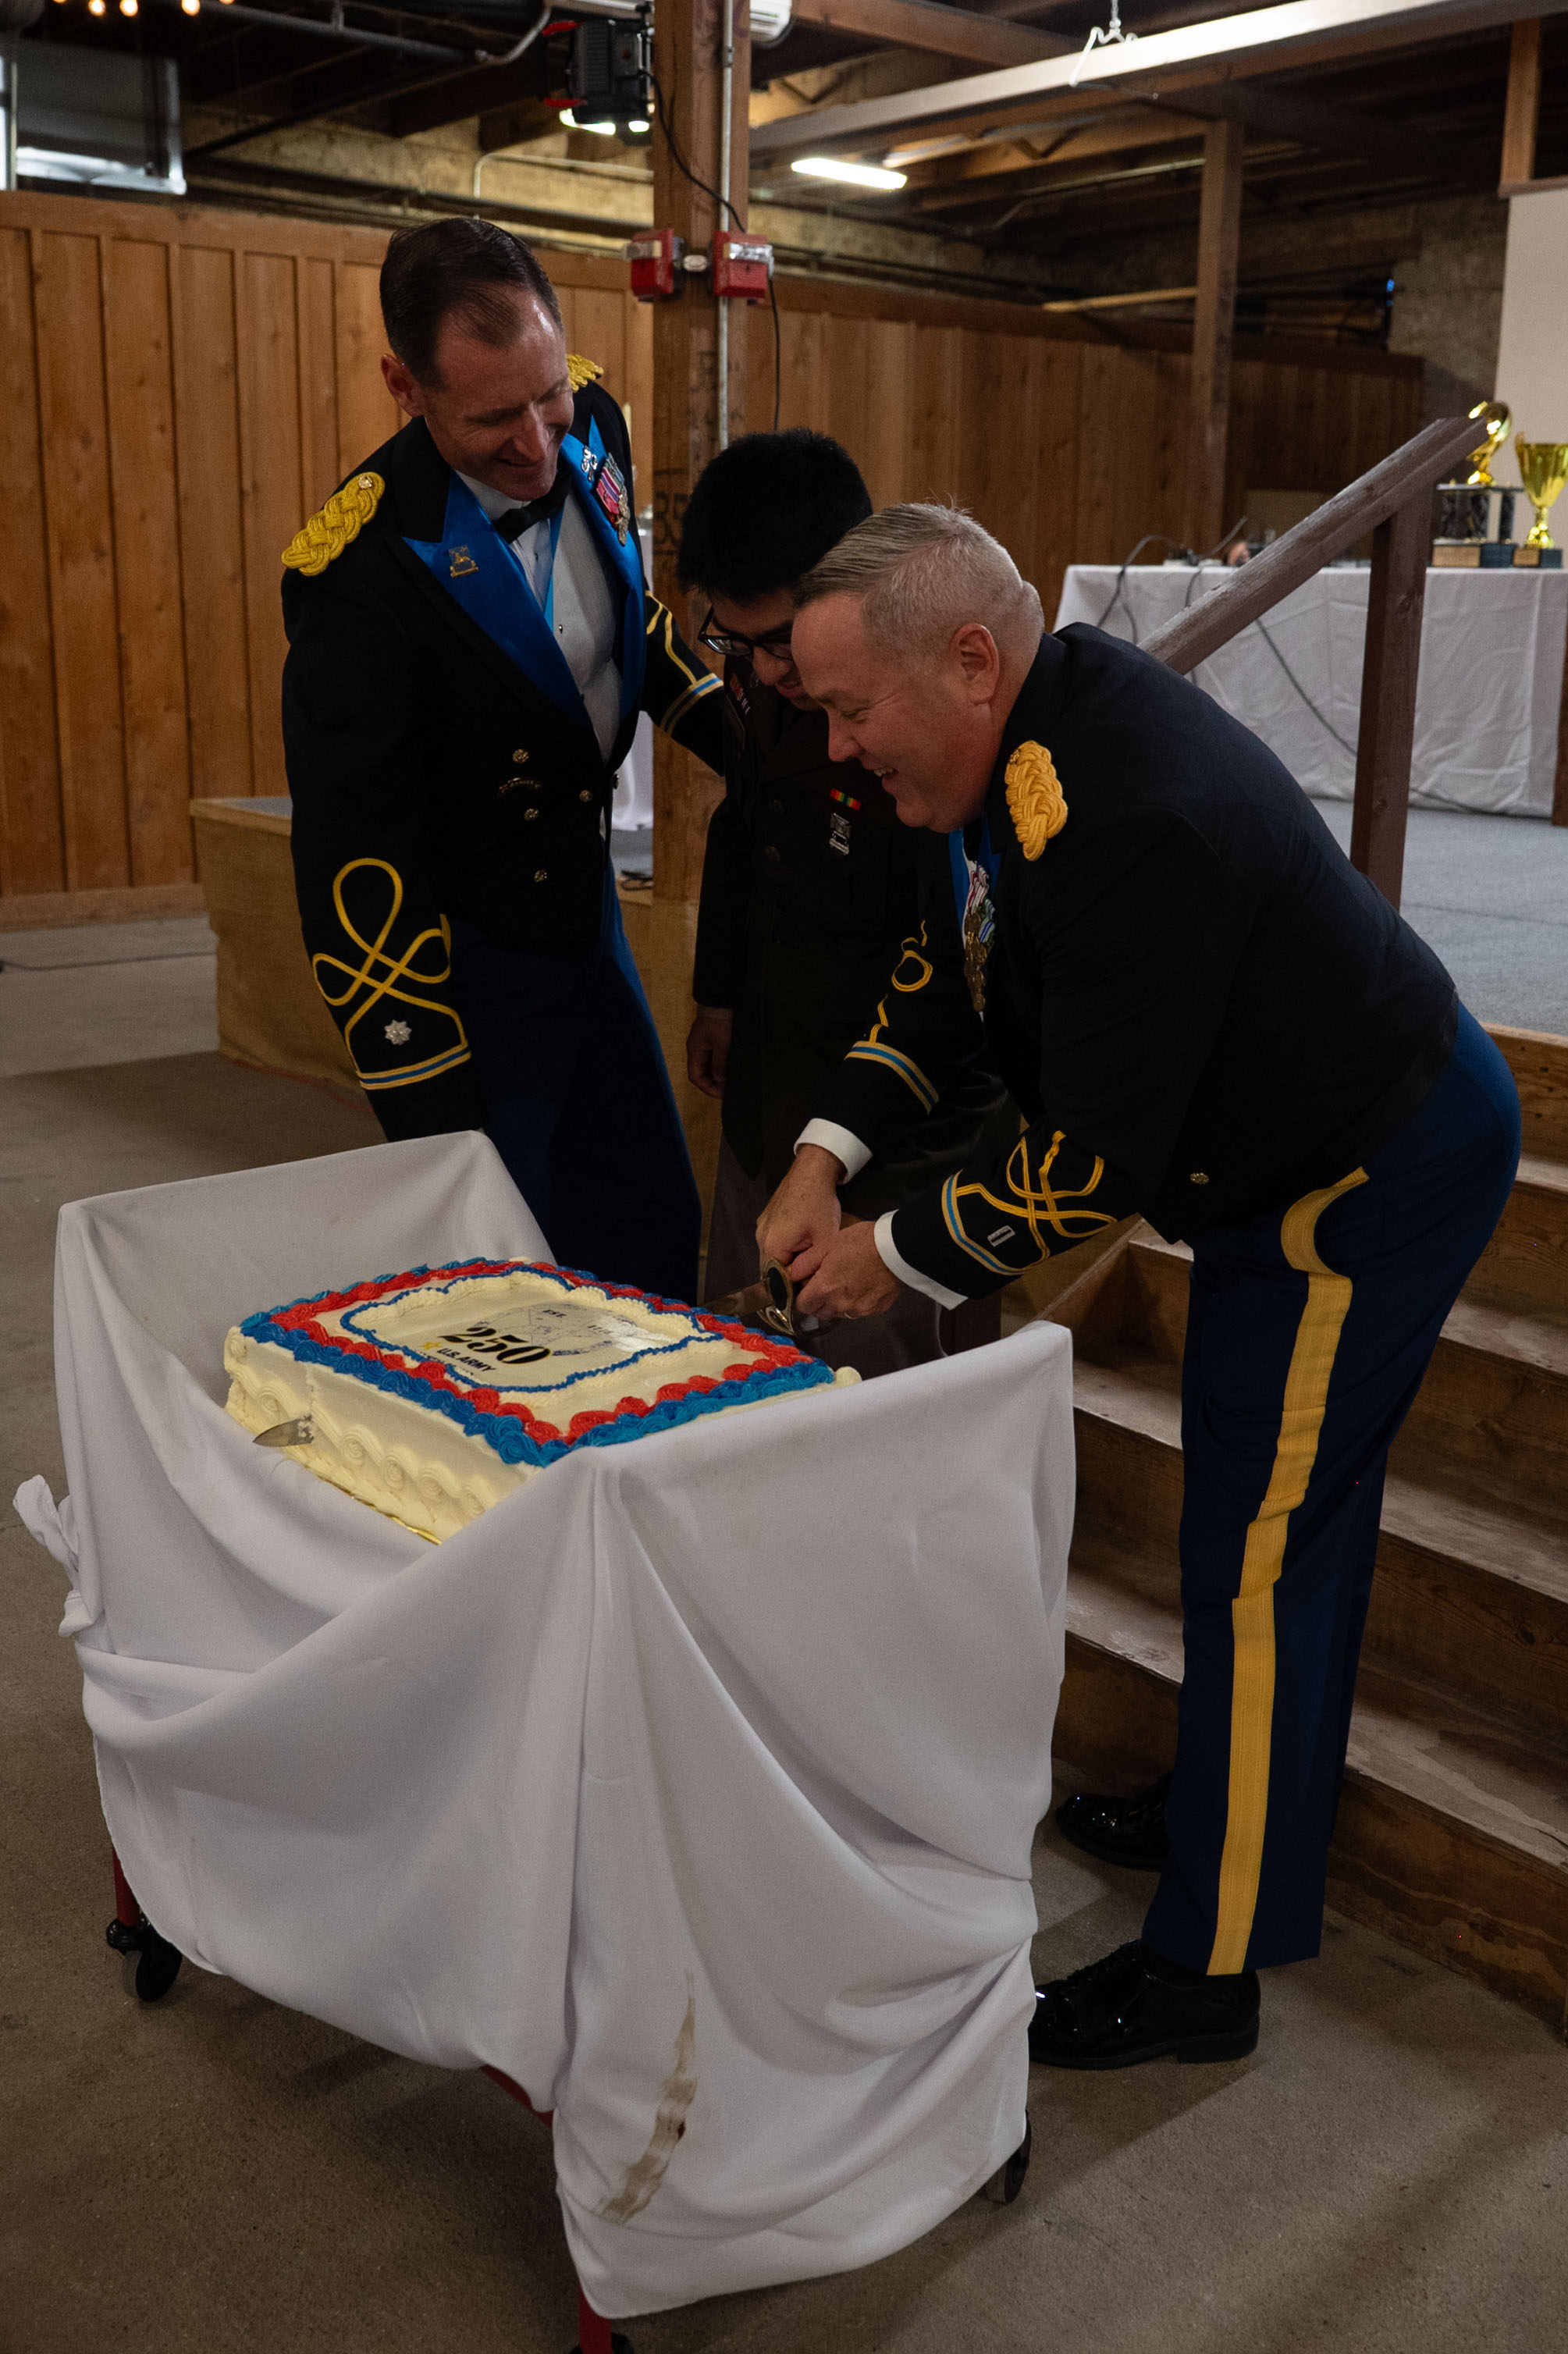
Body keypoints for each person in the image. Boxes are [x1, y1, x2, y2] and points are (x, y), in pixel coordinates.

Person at [756, 504, 1520, 2067]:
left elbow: (1085, 1169)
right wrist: (826, 1149)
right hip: (1267, 1151)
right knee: (1267, 1527)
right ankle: (1231, 1804)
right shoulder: (1015, 754)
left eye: (848, 707)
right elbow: (957, 978)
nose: (838, 749)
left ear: (967, 660)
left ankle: (1204, 1963)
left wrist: (878, 1256)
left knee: (1254, 1549)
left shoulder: (1121, 811)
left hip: (1357, 1176)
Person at [281, 217, 723, 1303]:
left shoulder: (594, 422)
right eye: (492, 419)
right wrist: (428, 1101)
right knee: (500, 1275)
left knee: (652, 1222)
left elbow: (621, 620)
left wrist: (738, 733)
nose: (537, 444)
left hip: (589, 922)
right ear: (403, 383)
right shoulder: (360, 577)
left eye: (548, 398)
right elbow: (354, 860)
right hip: (472, 966)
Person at [679, 432, 1008, 1372]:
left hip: (896, 1131)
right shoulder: (760, 680)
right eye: (734, 644)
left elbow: (957, 977)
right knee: (733, 1368)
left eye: (778, 642)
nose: (767, 674)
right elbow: (742, 830)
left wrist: (883, 1195)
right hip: (770, 1084)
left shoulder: (921, 721)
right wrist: (718, 996)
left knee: (872, 1395)